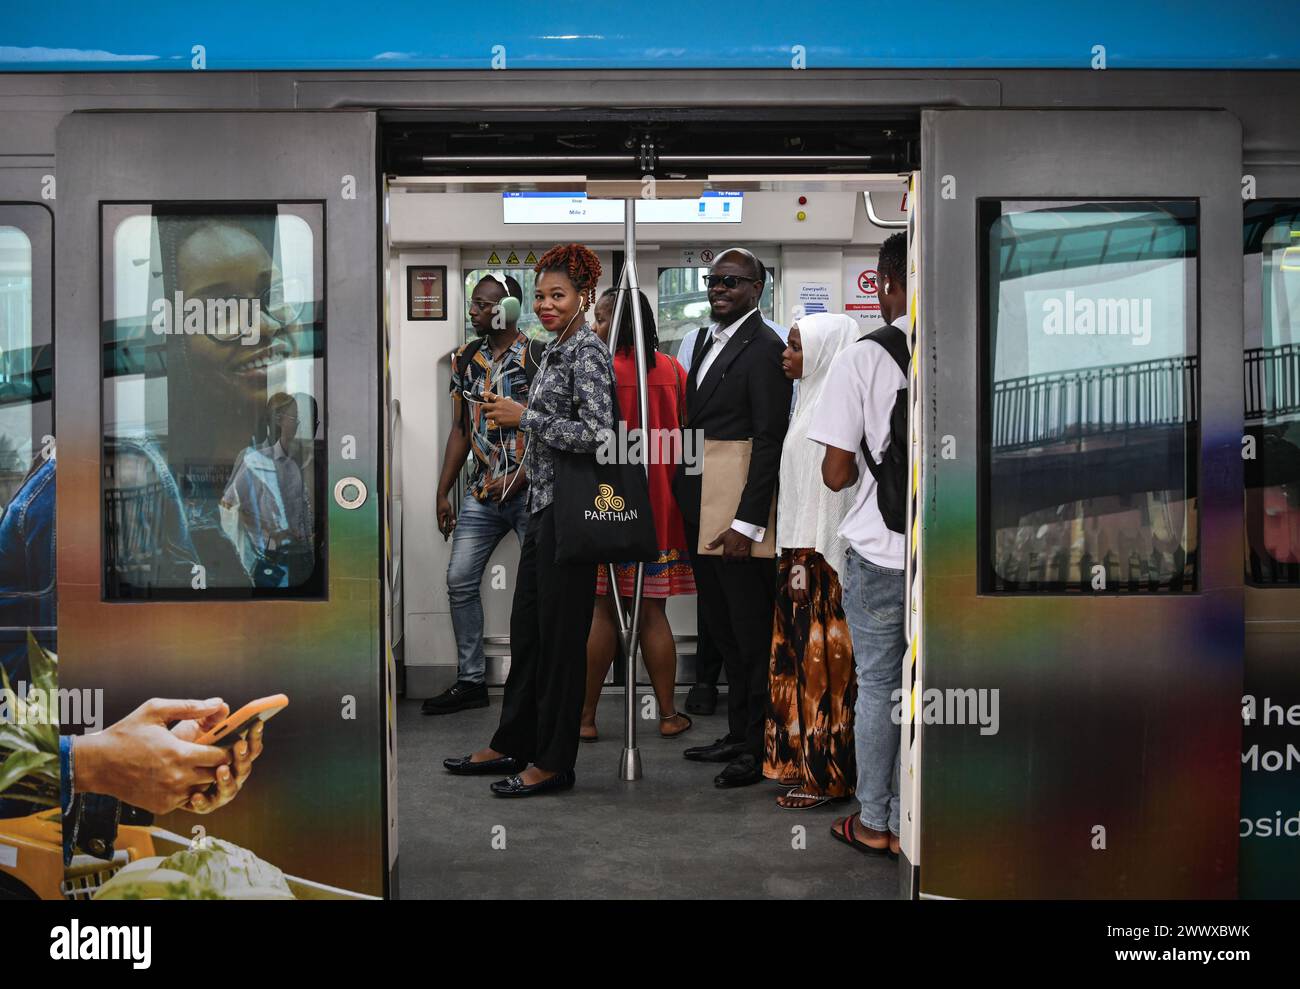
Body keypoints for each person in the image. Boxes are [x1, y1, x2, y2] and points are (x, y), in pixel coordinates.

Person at [443, 244, 614, 796]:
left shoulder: (586, 351)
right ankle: (512, 740)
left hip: (570, 517)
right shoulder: (553, 349)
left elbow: (598, 434)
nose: (545, 305)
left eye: (557, 296)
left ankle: (554, 761)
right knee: (529, 635)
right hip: (542, 510)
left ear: (583, 297)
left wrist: (526, 417)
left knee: (561, 643)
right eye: (539, 295)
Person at [807, 233, 909, 858]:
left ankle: (876, 820)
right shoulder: (974, 339)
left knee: (879, 686)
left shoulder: (863, 358)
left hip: (880, 548)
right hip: (954, 552)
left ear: (886, 282)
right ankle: (923, 815)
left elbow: (837, 473)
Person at [676, 248, 791, 788]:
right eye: (713, 279)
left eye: (731, 281)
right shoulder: (703, 340)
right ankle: (737, 733)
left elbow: (769, 441)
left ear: (756, 289)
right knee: (721, 628)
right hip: (701, 506)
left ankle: (759, 746)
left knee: (750, 634)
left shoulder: (765, 348)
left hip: (737, 514)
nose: (719, 288)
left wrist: (748, 524)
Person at [580, 288, 694, 742]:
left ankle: (586, 718)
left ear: (617, 321)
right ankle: (667, 714)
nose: (595, 328)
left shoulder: (597, 372)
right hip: (661, 508)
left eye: (602, 319)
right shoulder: (671, 371)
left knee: (603, 611)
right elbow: (689, 444)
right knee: (652, 612)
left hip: (607, 502)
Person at [425, 273, 536, 715]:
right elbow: (460, 429)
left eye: (481, 304)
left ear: (505, 310)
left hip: (530, 492)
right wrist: (443, 492)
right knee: (459, 580)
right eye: (473, 303)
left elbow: (550, 433)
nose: (473, 311)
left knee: (537, 591)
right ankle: (471, 681)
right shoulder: (465, 358)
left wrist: (520, 477)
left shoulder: (539, 357)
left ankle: (534, 680)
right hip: (481, 492)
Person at [765, 313, 861, 808]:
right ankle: (798, 760)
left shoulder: (835, 410)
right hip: (797, 552)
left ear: (824, 353)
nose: (787, 354)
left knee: (824, 674)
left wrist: (811, 564)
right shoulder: (806, 403)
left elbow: (831, 498)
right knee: (797, 665)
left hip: (819, 557)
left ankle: (826, 776)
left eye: (797, 347)